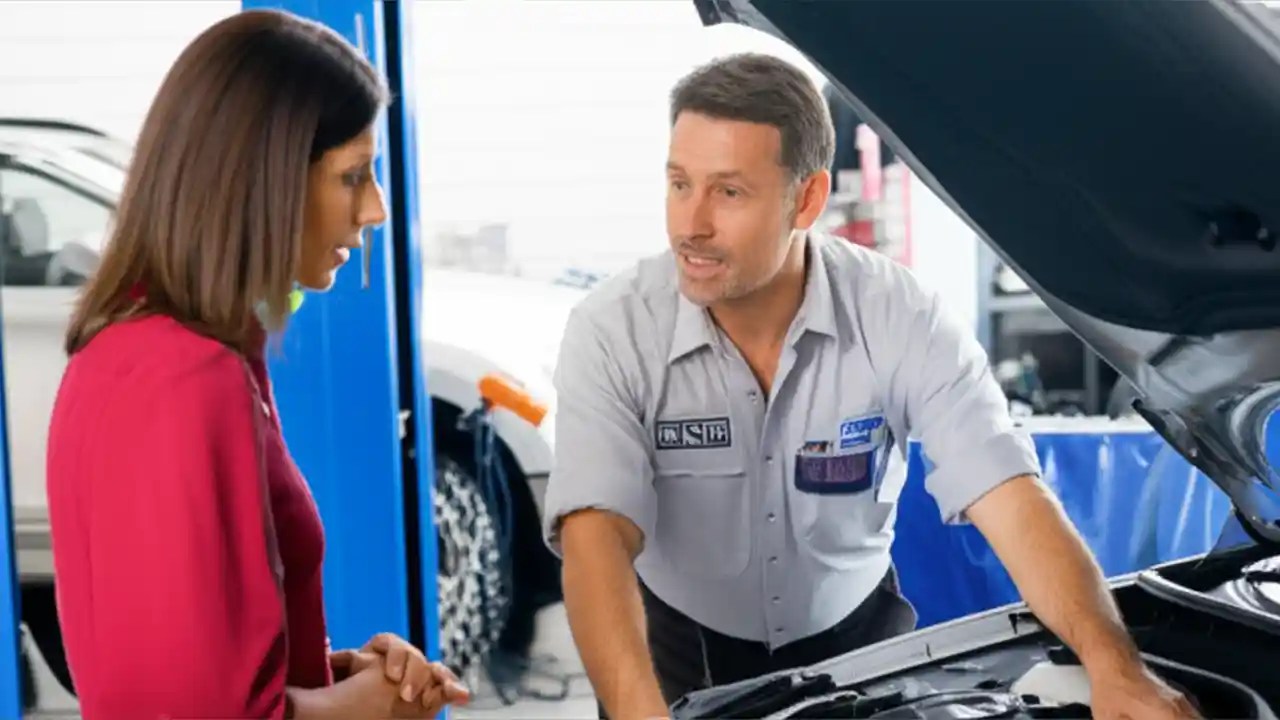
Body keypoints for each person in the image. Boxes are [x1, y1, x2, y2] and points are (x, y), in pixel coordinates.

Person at [542, 53, 1201, 720]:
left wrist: (1115, 667)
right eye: (680, 184)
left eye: (728, 192)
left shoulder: (898, 313)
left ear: (807, 199)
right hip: (675, 649)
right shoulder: (614, 329)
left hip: (858, 644)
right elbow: (596, 538)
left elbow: (1006, 491)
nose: (691, 224)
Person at [44, 10, 469, 719]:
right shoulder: (182, 377)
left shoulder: (145, 349)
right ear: (264, 180)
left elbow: (176, 664)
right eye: (353, 176)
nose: (376, 209)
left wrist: (336, 675)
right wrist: (358, 709)